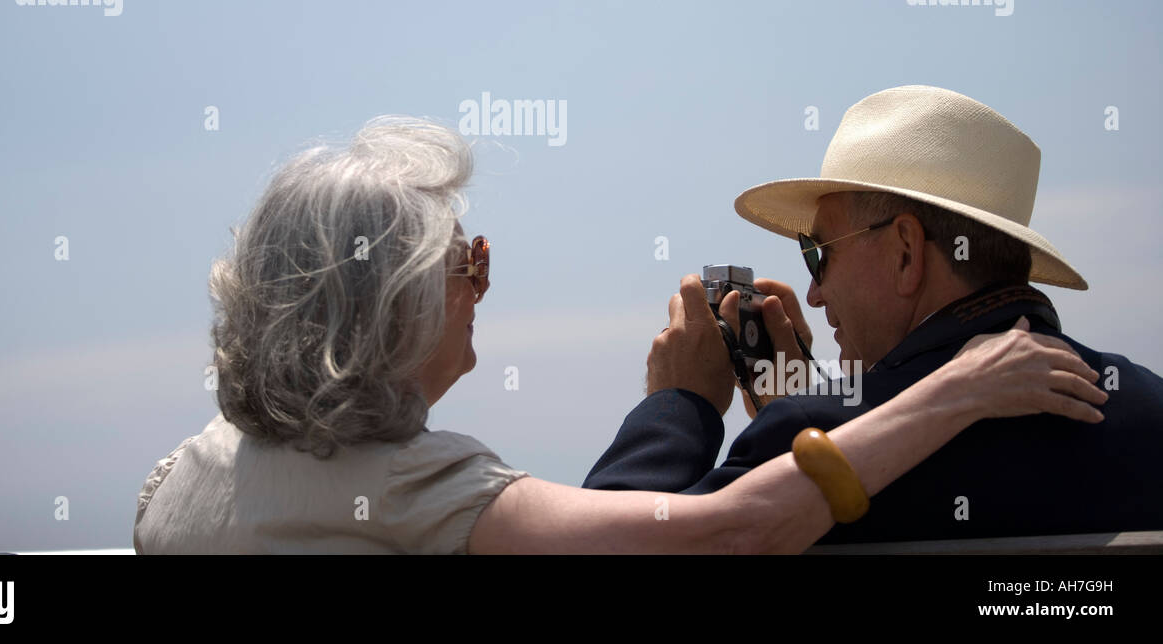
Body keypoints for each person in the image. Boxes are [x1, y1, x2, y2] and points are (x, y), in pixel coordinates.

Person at [133, 114, 1107, 554]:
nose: (482, 282)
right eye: (462, 262)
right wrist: (961, 387)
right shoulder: (420, 491)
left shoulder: (173, 481)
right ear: (381, 304)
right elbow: (732, 532)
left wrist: (724, 406)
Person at [584, 85, 1163, 542]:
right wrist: (793, 403)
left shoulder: (808, 444)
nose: (814, 295)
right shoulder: (1150, 411)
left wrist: (678, 403)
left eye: (818, 252)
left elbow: (604, 550)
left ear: (906, 253)